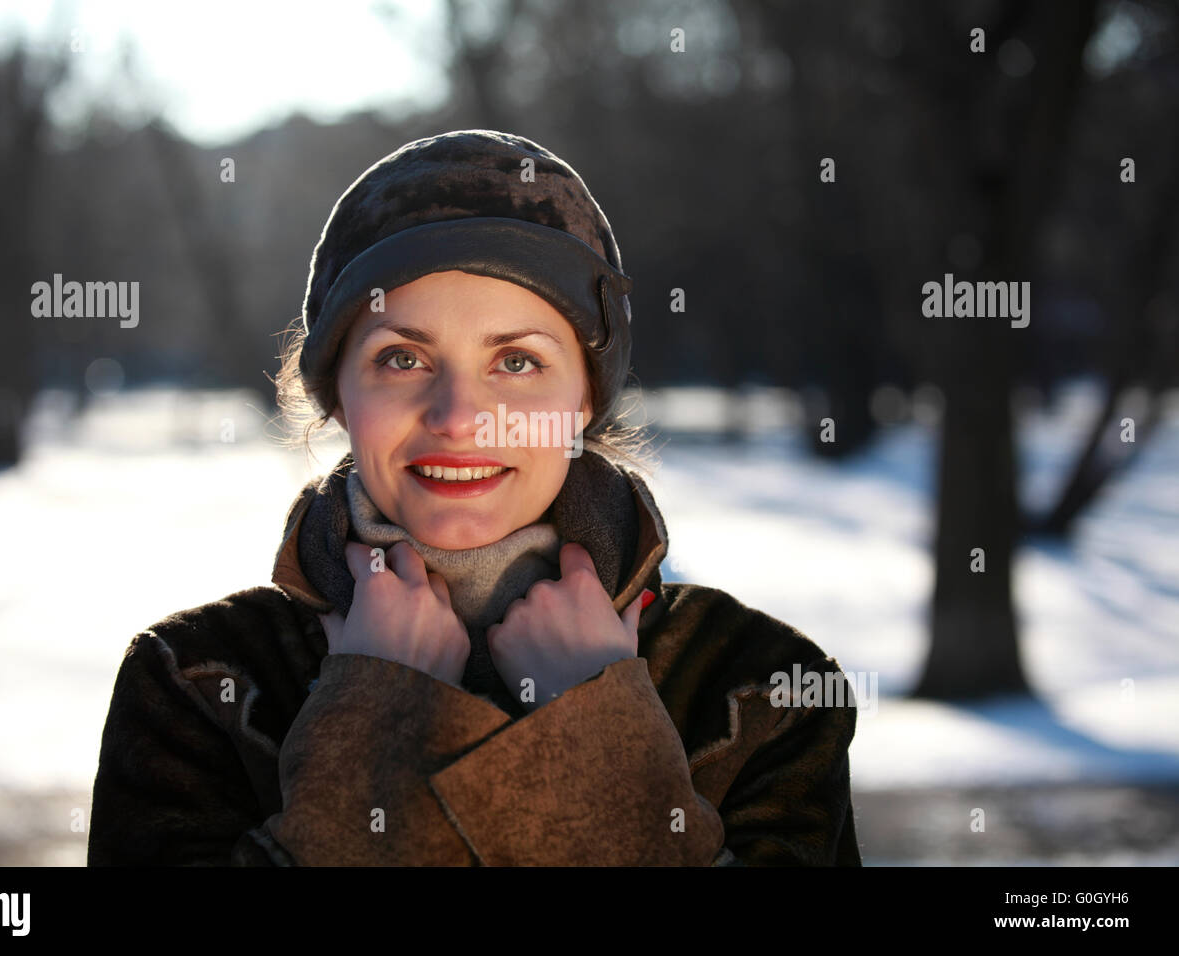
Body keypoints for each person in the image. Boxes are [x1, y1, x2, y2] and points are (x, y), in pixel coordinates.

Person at [87, 129, 862, 866]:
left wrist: (600, 734)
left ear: (586, 399)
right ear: (335, 396)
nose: (460, 416)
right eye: (402, 357)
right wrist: (372, 716)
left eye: (518, 363)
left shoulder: (760, 690)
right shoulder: (199, 684)